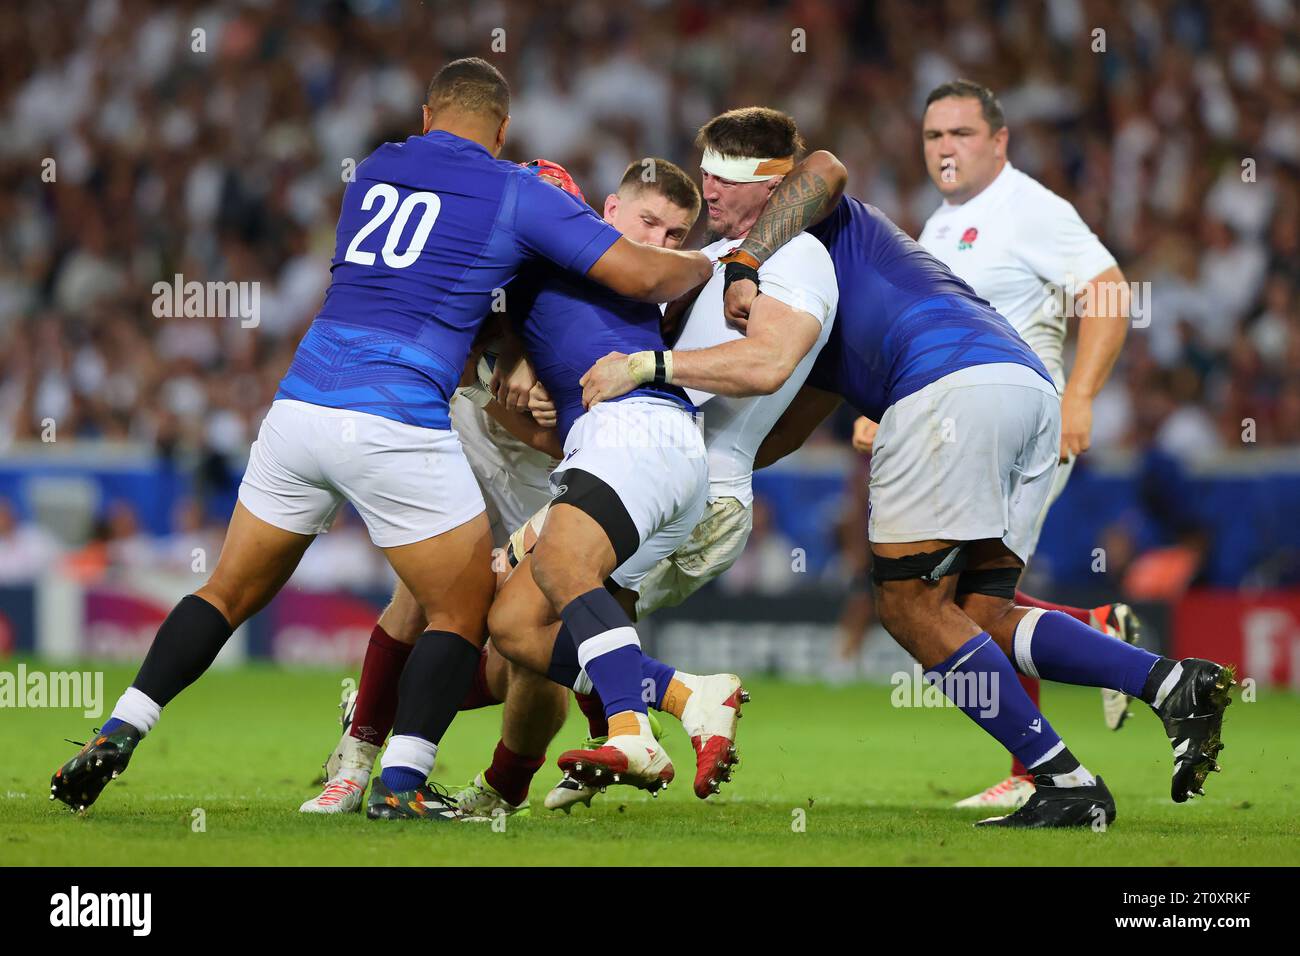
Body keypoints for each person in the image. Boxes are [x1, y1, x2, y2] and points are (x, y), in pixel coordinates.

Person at [50, 58, 712, 818]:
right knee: (461, 613)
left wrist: (518, 348)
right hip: (395, 414)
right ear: (502, 132)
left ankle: (122, 723)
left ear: (428, 115)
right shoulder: (514, 188)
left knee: (224, 591)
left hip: (299, 405)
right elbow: (635, 275)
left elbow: (442, 274)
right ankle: (402, 782)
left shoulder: (377, 167)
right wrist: (719, 257)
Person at [639, 152, 1235, 828]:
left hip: (950, 391)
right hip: (1020, 389)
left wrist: (739, 270)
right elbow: (789, 425)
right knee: (972, 617)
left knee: (908, 607)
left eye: (726, 180)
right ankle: (1169, 683)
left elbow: (830, 166)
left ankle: (1063, 778)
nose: (711, 194)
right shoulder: (844, 261)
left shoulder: (799, 238)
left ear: (773, 189)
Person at [915, 80, 1142, 809]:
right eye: (933, 137)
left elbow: (1108, 289)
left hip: (1026, 434)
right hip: (960, 438)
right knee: (955, 599)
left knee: (966, 603)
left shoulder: (1031, 208)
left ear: (1000, 140)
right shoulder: (938, 226)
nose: (946, 148)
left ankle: (1035, 771)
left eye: (961, 133)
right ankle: (1095, 633)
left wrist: (1080, 394)